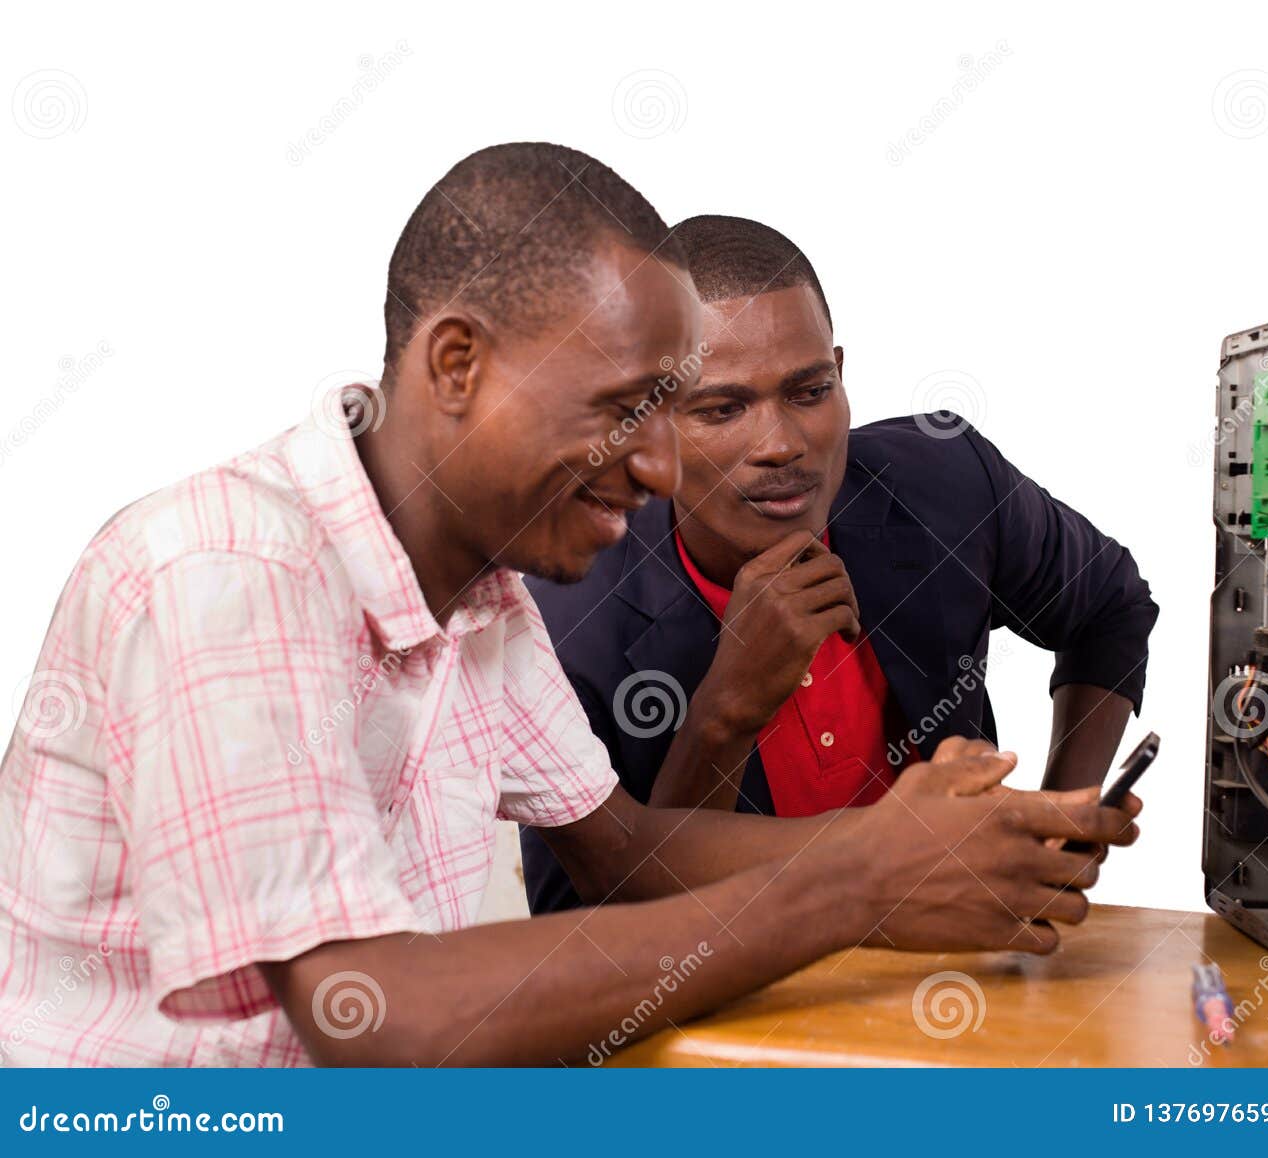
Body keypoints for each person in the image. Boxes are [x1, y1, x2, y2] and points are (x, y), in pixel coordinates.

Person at [0, 145, 1139, 1068]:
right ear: (457, 365)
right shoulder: (229, 568)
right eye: (626, 411)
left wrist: (926, 841)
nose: (659, 469)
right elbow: (377, 1018)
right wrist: (860, 880)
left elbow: (624, 854)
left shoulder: (487, 591)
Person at [522, 214, 1158, 915]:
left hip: (966, 963)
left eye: (809, 392)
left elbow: (1110, 604)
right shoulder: (563, 622)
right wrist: (723, 715)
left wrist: (1058, 824)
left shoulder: (944, 482)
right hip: (737, 982)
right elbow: (583, 937)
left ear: (841, 375)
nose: (781, 444)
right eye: (722, 408)